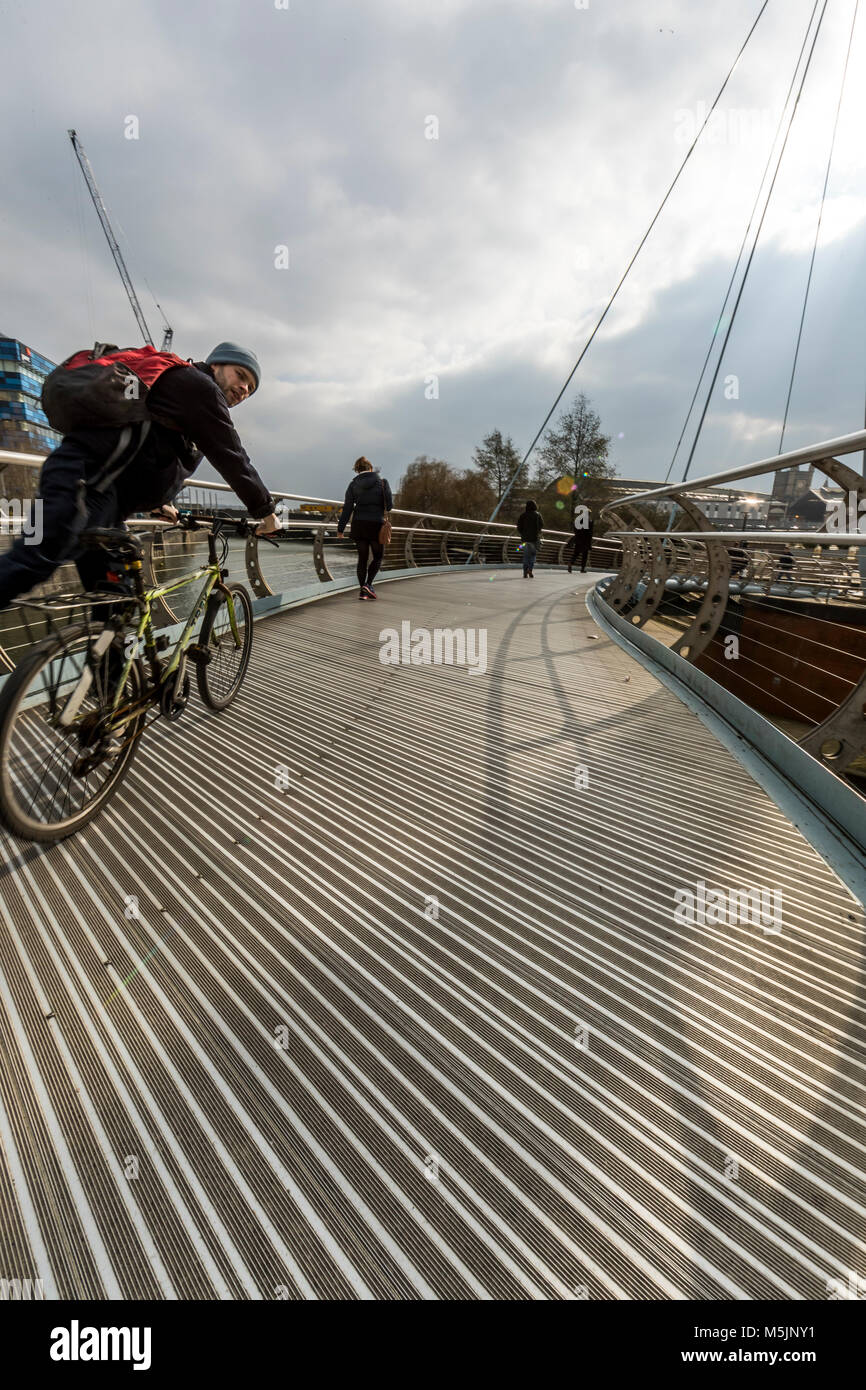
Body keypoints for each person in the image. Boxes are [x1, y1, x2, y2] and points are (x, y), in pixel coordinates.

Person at [0, 341, 279, 610]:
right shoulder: (198, 387)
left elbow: (146, 448)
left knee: (118, 602)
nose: (243, 388)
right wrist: (266, 512)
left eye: (250, 389)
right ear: (217, 364)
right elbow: (231, 455)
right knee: (29, 562)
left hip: (104, 498)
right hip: (81, 484)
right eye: (240, 376)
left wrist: (158, 504)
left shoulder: (186, 397)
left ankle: (106, 653)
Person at [336, 456, 393, 600]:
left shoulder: (353, 485)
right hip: (376, 525)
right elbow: (390, 506)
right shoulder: (382, 483)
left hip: (359, 524)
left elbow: (348, 508)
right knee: (378, 556)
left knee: (362, 559)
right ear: (371, 468)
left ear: (357, 470)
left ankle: (363, 591)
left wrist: (340, 528)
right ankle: (368, 585)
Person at [516, 500, 543, 578]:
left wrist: (523, 534)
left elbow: (519, 527)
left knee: (526, 555)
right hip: (534, 538)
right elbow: (541, 525)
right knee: (533, 555)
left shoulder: (523, 515)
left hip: (525, 539)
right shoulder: (538, 515)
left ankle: (525, 572)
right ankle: (530, 570)